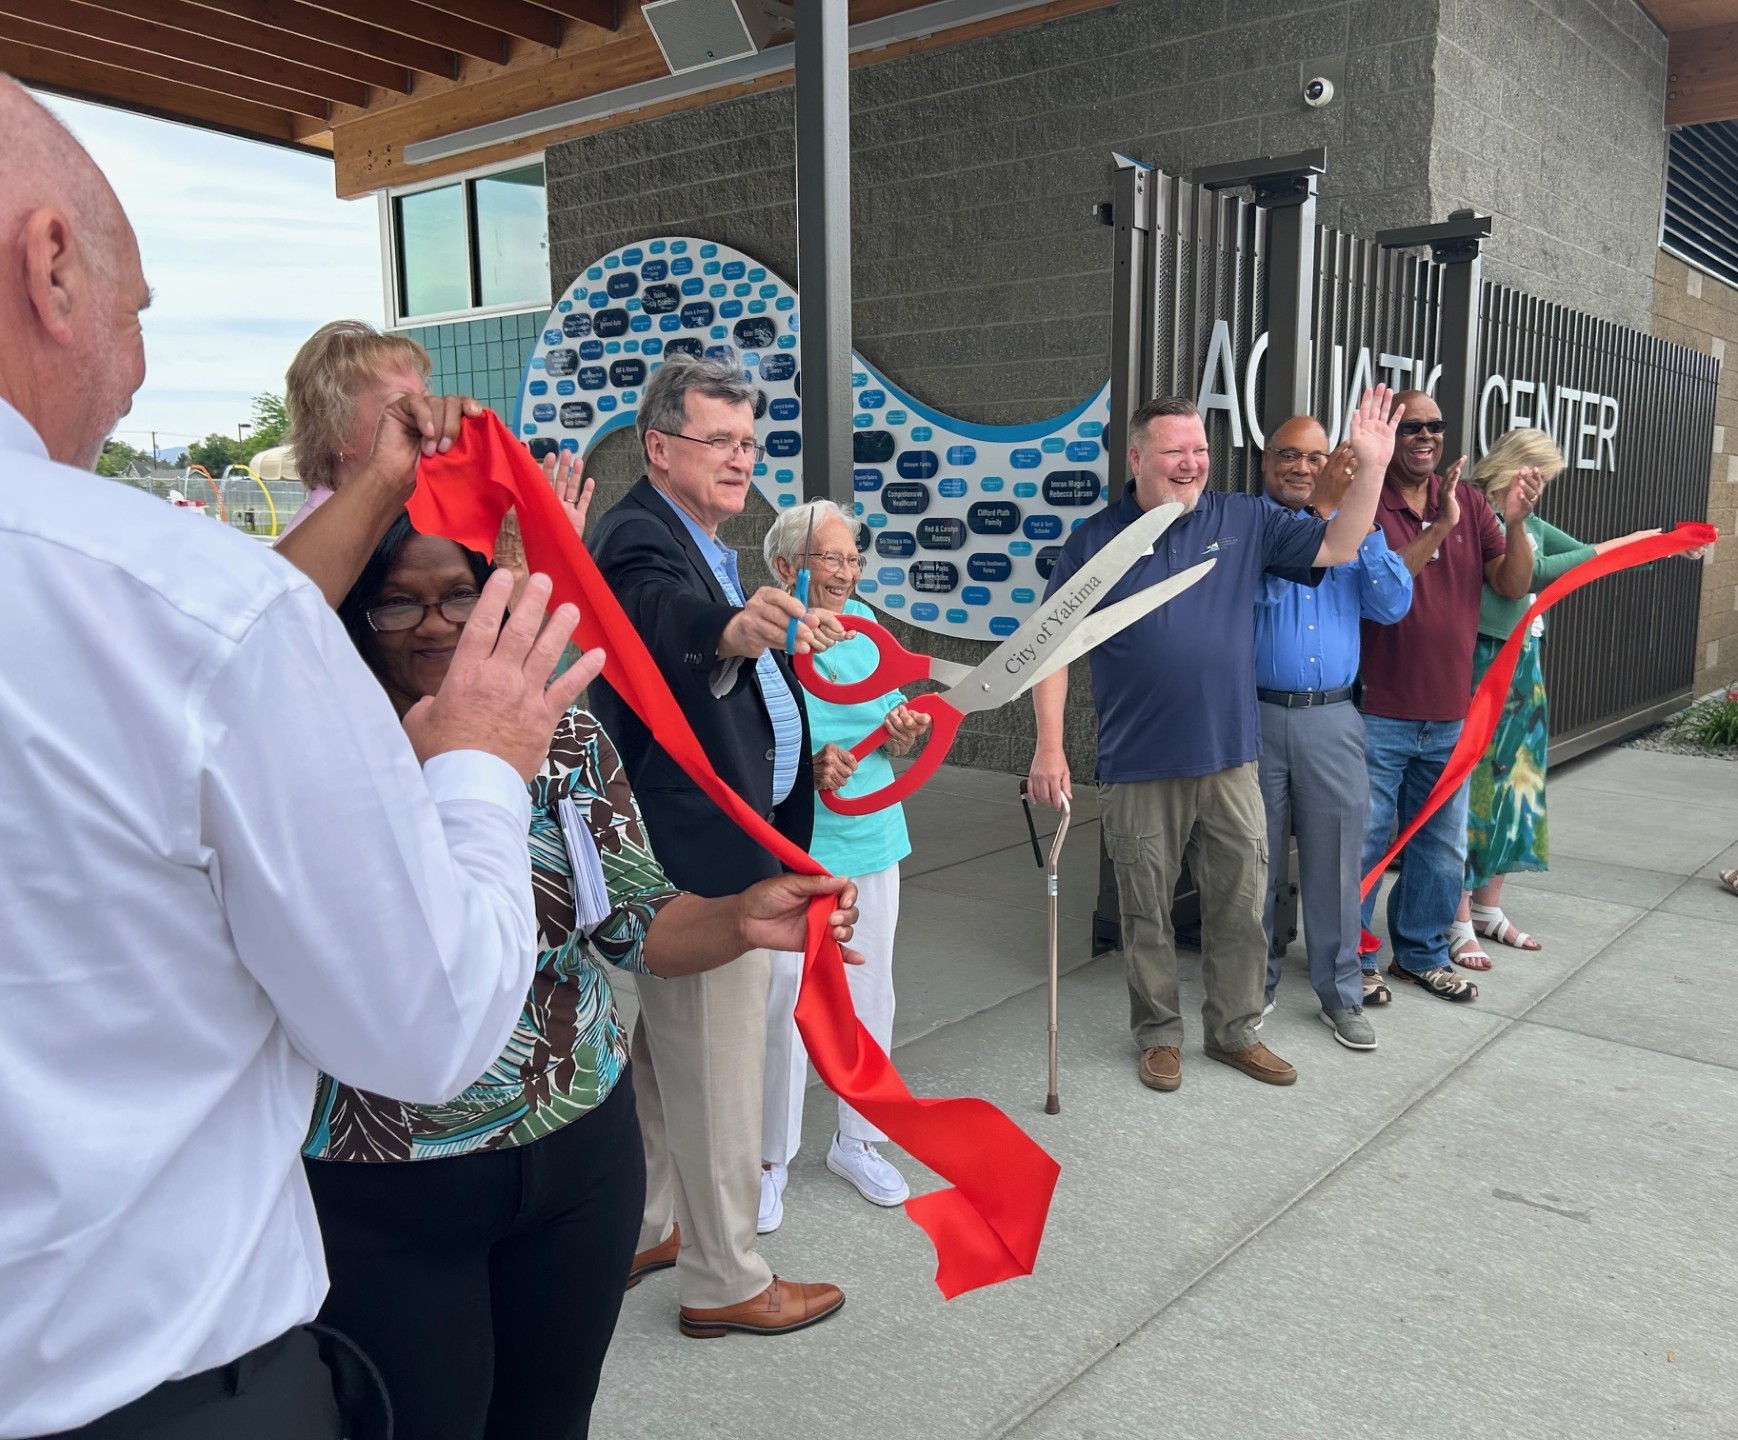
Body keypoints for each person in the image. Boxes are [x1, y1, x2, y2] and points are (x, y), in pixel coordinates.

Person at [0, 78, 596, 1439]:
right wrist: (477, 765)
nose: (140, 368)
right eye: (137, 310)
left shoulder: (203, 605)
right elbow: (425, 1021)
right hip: (159, 1380)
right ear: (49, 266)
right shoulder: (190, 609)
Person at [282, 506, 861, 1440]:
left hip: (578, 1155)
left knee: (550, 1421)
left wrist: (743, 919)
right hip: (389, 1176)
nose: (435, 623)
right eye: (400, 603)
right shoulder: (310, 754)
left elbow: (638, 926)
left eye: (458, 596)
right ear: (357, 613)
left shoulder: (561, 736)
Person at [1027, 387, 1401, 1092]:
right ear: (1137, 457)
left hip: (1232, 755)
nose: (1192, 463)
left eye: (1199, 450)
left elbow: (1337, 543)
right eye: (1176, 452)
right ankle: (1158, 1033)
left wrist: (1372, 467)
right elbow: (1053, 648)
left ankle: (1233, 1032)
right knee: (1145, 912)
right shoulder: (1094, 540)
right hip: (1139, 761)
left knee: (1240, 907)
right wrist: (1050, 748)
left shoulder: (1243, 518)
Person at [588, 356, 849, 1339]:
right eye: (719, 440)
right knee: (723, 1073)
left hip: (703, 848)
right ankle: (727, 1278)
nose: (742, 459)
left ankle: (654, 1228)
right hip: (702, 860)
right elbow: (664, 621)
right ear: (660, 447)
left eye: (749, 441)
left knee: (665, 1065)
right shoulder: (640, 540)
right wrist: (733, 631)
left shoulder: (689, 532)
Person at [758, 499, 932, 1228]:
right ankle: (770, 1158)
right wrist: (805, 767)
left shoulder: (865, 634)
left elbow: (899, 742)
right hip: (795, 852)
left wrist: (905, 734)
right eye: (833, 559)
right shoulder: (764, 640)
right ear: (786, 566)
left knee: (870, 999)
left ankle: (858, 1139)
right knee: (785, 1006)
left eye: (854, 560)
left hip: (872, 844)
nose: (846, 574)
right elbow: (744, 748)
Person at [1446, 429, 1660, 970]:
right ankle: (1458, 915)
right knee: (1477, 789)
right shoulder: (1476, 516)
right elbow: (1531, 577)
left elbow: (1585, 556)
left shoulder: (1532, 525)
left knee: (1520, 782)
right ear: (1517, 469)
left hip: (1523, 668)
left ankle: (1490, 908)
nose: (1542, 487)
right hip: (1481, 666)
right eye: (1539, 475)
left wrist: (1649, 541)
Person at [1356, 391, 1541, 1004]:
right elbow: (1380, 587)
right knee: (1366, 843)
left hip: (1447, 714)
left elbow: (1512, 586)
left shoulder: (1468, 503)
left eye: (1435, 427)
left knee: (1440, 847)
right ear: (1391, 433)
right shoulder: (1369, 502)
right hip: (1378, 709)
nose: (1426, 437)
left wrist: (1513, 523)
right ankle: (1353, 959)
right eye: (1412, 427)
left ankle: (1421, 954)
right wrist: (1439, 528)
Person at [1255, 418, 1412, 1050]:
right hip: (1255, 714)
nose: (1302, 466)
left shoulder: (1355, 529)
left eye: (1317, 457)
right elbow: (1256, 593)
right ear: (1264, 462)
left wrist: (1362, 521)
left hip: (1333, 717)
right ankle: (1252, 987)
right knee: (1253, 862)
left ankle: (1340, 993)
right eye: (1288, 455)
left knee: (1336, 862)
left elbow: (1394, 604)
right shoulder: (1247, 526)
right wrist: (1320, 517)